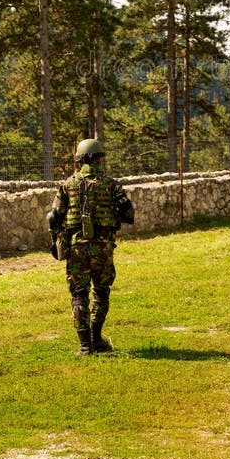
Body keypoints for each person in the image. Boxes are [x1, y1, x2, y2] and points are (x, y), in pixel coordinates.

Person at [47, 138, 135, 355]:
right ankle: (97, 339)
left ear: (80, 160)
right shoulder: (111, 185)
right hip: (103, 247)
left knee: (79, 294)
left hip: (77, 247)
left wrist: (54, 240)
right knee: (101, 292)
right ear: (98, 160)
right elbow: (129, 213)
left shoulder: (68, 185)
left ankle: (85, 345)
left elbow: (53, 217)